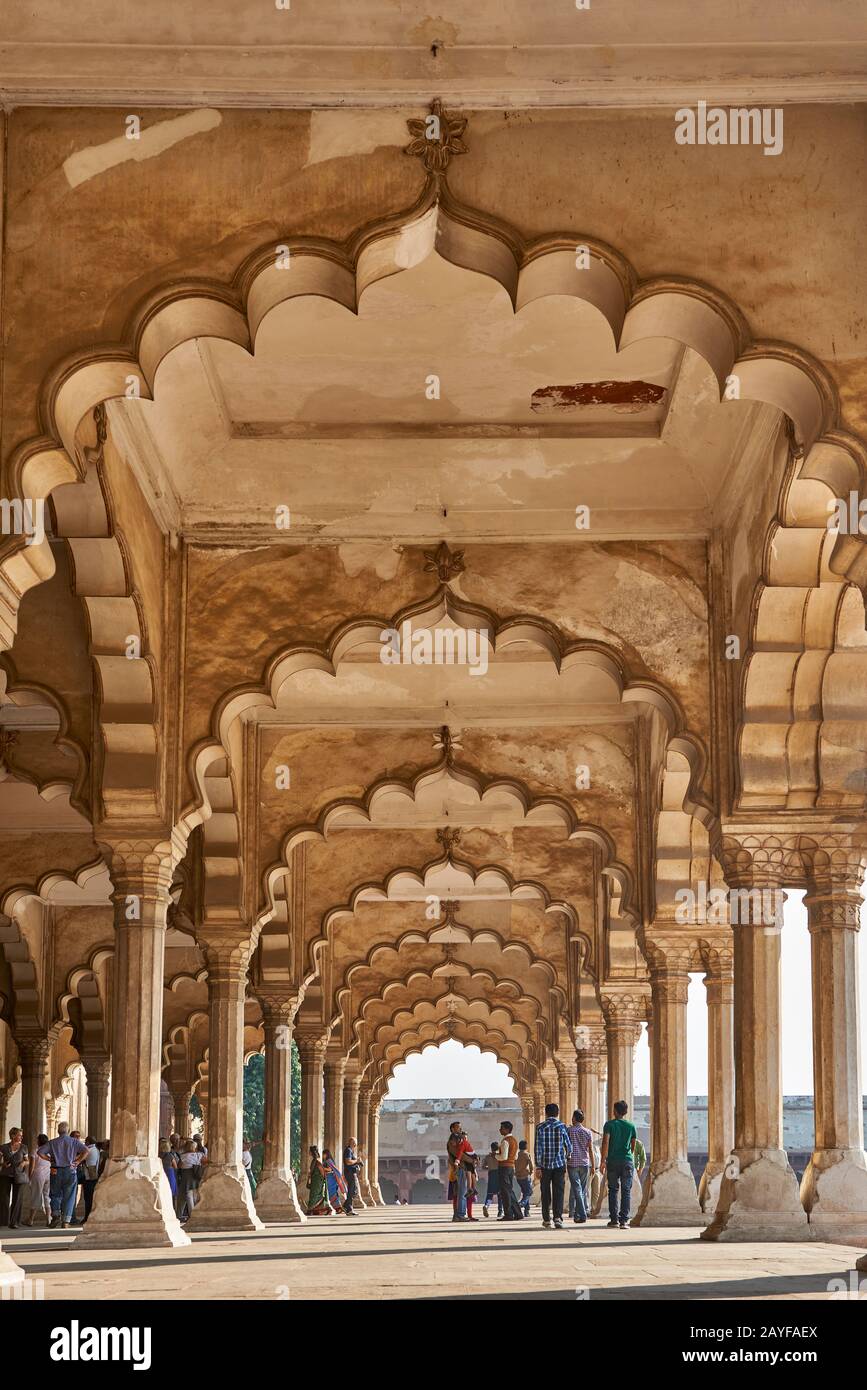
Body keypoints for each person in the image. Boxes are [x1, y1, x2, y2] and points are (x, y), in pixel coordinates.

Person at [39, 1123, 88, 1229]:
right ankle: (66, 1221)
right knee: (69, 1196)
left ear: (58, 1131)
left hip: (55, 1170)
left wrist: (49, 1159)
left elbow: (40, 1152)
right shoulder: (74, 1141)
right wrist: (78, 1161)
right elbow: (86, 1150)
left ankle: (56, 1215)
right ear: (68, 1130)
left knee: (55, 1194)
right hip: (70, 1170)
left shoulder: (52, 1142)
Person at [534, 1102, 573, 1230]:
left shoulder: (540, 1127)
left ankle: (546, 1219)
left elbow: (538, 1149)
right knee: (559, 1192)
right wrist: (567, 1157)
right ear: (557, 1113)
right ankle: (557, 1218)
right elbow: (569, 1146)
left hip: (544, 1165)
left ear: (546, 1113)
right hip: (559, 1165)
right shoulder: (562, 1126)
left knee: (545, 1193)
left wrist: (538, 1166)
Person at [601, 1099, 637, 1229]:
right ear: (626, 1112)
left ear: (615, 1111)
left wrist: (602, 1161)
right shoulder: (631, 1126)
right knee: (626, 1190)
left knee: (613, 1190)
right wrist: (628, 1155)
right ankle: (624, 1221)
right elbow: (633, 1144)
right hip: (627, 1160)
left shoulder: (609, 1125)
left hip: (613, 1161)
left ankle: (614, 1220)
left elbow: (605, 1142)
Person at [565, 1108, 595, 1223]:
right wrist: (593, 1165)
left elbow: (566, 1146)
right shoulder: (587, 1132)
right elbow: (590, 1149)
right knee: (582, 1190)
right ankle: (579, 1214)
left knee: (577, 1189)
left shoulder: (569, 1131)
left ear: (574, 1118)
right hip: (584, 1163)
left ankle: (581, 1214)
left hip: (572, 1163)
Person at [0, 1127, 29, 1228]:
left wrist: (23, 1163)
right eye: (19, 1135)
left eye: (21, 1135)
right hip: (6, 1174)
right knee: (4, 1198)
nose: (21, 1137)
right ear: (13, 1136)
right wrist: (3, 1164)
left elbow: (27, 1160)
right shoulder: (3, 1147)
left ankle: (15, 1222)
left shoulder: (24, 1147)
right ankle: (3, 1221)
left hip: (19, 1175)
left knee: (17, 1199)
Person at [496, 1120, 523, 1220]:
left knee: (505, 1192)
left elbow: (503, 1157)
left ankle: (508, 1214)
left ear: (507, 1129)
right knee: (509, 1190)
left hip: (504, 1167)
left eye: (502, 1128)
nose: (500, 1130)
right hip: (511, 1167)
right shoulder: (514, 1140)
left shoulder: (505, 1141)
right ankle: (517, 1213)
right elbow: (515, 1156)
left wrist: (495, 1156)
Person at [27, 1133, 51, 1227]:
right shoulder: (49, 1151)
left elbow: (32, 1166)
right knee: (47, 1197)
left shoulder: (35, 1151)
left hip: (38, 1175)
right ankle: (48, 1218)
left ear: (39, 1141)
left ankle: (31, 1220)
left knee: (35, 1196)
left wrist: (29, 1177)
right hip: (48, 1175)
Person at [175, 1138, 201, 1221]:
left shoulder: (182, 1156)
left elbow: (179, 1166)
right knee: (194, 1196)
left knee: (187, 1196)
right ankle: (194, 1215)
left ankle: (190, 1215)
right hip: (196, 1176)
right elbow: (206, 1162)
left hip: (186, 1177)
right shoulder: (199, 1155)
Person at [305, 1145, 334, 1215]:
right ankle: (313, 1210)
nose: (309, 1152)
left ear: (312, 1152)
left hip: (318, 1182)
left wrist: (323, 1182)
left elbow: (322, 1173)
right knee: (313, 1196)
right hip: (314, 1182)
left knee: (315, 1196)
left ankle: (328, 1208)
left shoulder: (318, 1162)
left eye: (310, 1151)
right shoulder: (314, 1161)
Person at [80, 1135, 101, 1221]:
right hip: (93, 1177)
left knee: (88, 1199)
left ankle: (87, 1217)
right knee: (91, 1198)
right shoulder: (96, 1150)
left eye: (86, 1141)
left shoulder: (88, 1150)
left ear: (88, 1142)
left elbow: (81, 1159)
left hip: (89, 1177)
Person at [322, 1148, 348, 1212]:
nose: (323, 1156)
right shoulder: (328, 1160)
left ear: (326, 1154)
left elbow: (330, 1169)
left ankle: (338, 1207)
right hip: (330, 1178)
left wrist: (322, 1168)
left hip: (330, 1179)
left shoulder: (328, 1160)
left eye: (323, 1154)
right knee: (332, 1193)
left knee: (331, 1193)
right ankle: (337, 1207)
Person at [445, 1121, 462, 1218]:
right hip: (456, 1169)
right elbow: (457, 1154)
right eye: (458, 1127)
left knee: (459, 1192)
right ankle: (457, 1214)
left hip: (457, 1168)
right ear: (452, 1129)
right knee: (457, 1193)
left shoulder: (458, 1138)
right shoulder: (452, 1140)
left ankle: (458, 1213)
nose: (460, 1129)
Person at [342, 1136, 362, 1214]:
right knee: (352, 1190)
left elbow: (351, 1161)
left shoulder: (350, 1151)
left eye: (355, 1144)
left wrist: (357, 1163)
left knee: (354, 1191)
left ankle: (346, 1205)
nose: (355, 1145)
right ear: (351, 1143)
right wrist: (356, 1160)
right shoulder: (348, 1150)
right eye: (354, 1144)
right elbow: (348, 1162)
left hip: (351, 1172)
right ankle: (349, 1209)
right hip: (350, 1173)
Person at [482, 1141, 501, 1218]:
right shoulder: (499, 1156)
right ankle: (500, 1211)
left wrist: (489, 1167)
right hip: (499, 1174)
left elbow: (483, 1167)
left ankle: (486, 1206)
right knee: (500, 1194)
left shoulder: (487, 1157)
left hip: (491, 1174)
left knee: (490, 1194)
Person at [515, 1139, 534, 1216]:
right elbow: (531, 1165)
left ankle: (527, 1211)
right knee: (529, 1192)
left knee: (525, 1192)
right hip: (525, 1176)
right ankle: (521, 1203)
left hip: (518, 1177)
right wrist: (531, 1171)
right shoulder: (526, 1154)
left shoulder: (517, 1155)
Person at [159, 1138, 178, 1204]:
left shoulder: (158, 1156)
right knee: (170, 1191)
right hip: (170, 1173)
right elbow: (175, 1166)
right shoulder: (170, 1156)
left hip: (161, 1172)